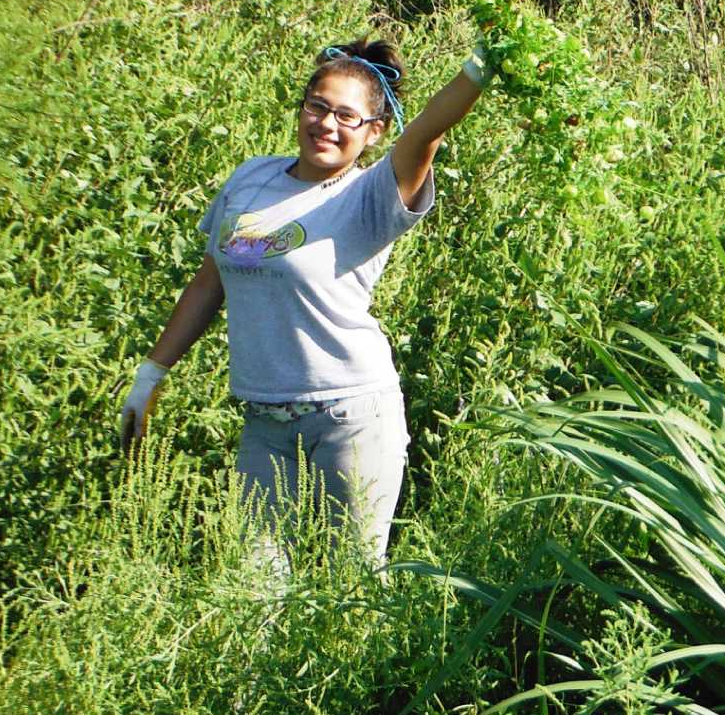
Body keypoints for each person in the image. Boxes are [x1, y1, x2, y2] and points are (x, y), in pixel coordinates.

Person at [119, 40, 499, 562]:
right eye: (317, 106)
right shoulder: (251, 179)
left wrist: (481, 67)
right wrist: (151, 375)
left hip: (351, 417)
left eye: (347, 115)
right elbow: (211, 281)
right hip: (264, 422)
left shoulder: (368, 195)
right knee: (252, 588)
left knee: (355, 580)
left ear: (374, 131)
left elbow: (427, 132)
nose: (326, 123)